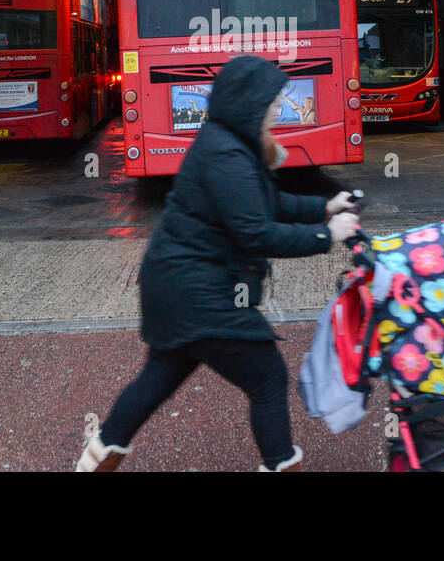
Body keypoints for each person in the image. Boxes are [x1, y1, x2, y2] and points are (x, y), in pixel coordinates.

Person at [77, 55, 359, 472]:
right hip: (199, 291)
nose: (279, 108)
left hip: (177, 288)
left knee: (161, 374)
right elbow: (256, 232)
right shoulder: (228, 155)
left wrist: (326, 207)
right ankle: (282, 465)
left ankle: (100, 456)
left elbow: (268, 204)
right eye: (272, 102)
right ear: (249, 105)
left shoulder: (229, 144)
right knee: (267, 378)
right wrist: (327, 236)